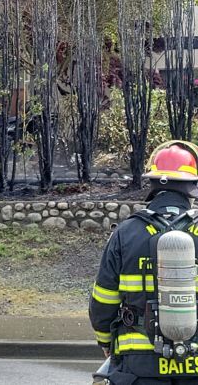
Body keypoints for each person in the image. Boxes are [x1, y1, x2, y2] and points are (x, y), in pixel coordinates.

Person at [90, 141, 198, 385]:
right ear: (192, 187)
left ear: (152, 184)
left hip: (139, 366)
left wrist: (105, 341)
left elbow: (103, 300)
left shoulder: (126, 233)